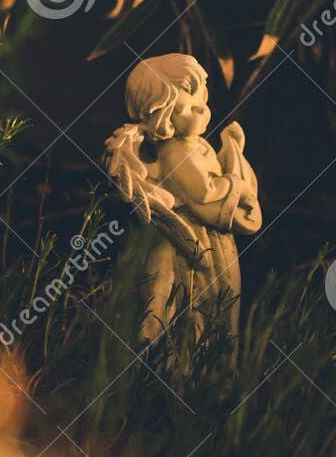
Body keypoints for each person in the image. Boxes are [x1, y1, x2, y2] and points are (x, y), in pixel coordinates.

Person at [105, 54, 261, 365]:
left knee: (218, 308)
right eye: (186, 108)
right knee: (195, 311)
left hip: (214, 244)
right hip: (194, 247)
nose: (201, 110)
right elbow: (204, 198)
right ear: (162, 117)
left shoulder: (197, 146)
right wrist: (236, 184)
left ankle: (209, 380)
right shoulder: (177, 153)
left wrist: (232, 152)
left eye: (201, 99)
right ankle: (183, 376)